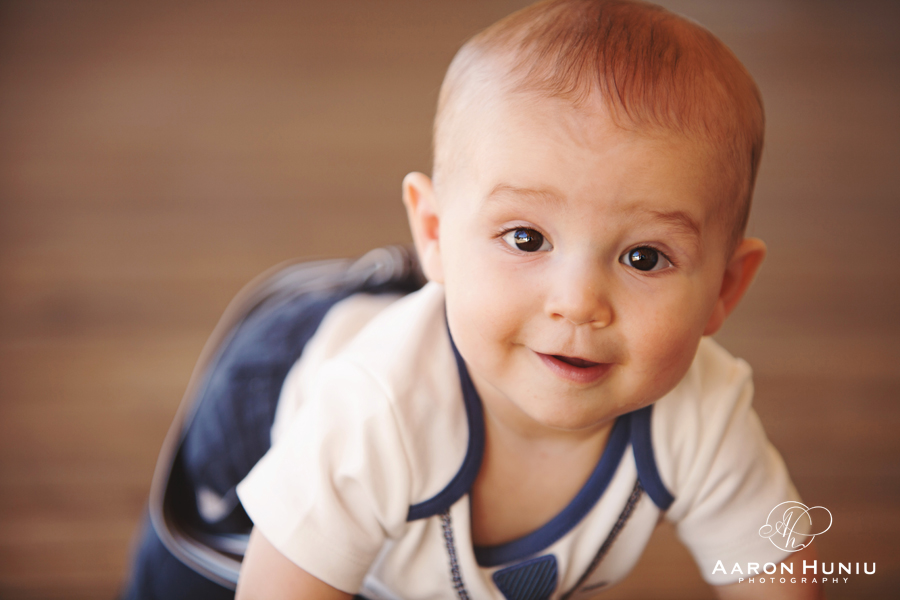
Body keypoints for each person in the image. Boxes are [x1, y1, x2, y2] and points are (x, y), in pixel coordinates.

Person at [235, 1, 823, 598]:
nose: (578, 303)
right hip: (271, 391)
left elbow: (777, 575)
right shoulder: (371, 414)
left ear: (725, 287)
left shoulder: (704, 412)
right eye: (527, 239)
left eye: (644, 257)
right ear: (435, 233)